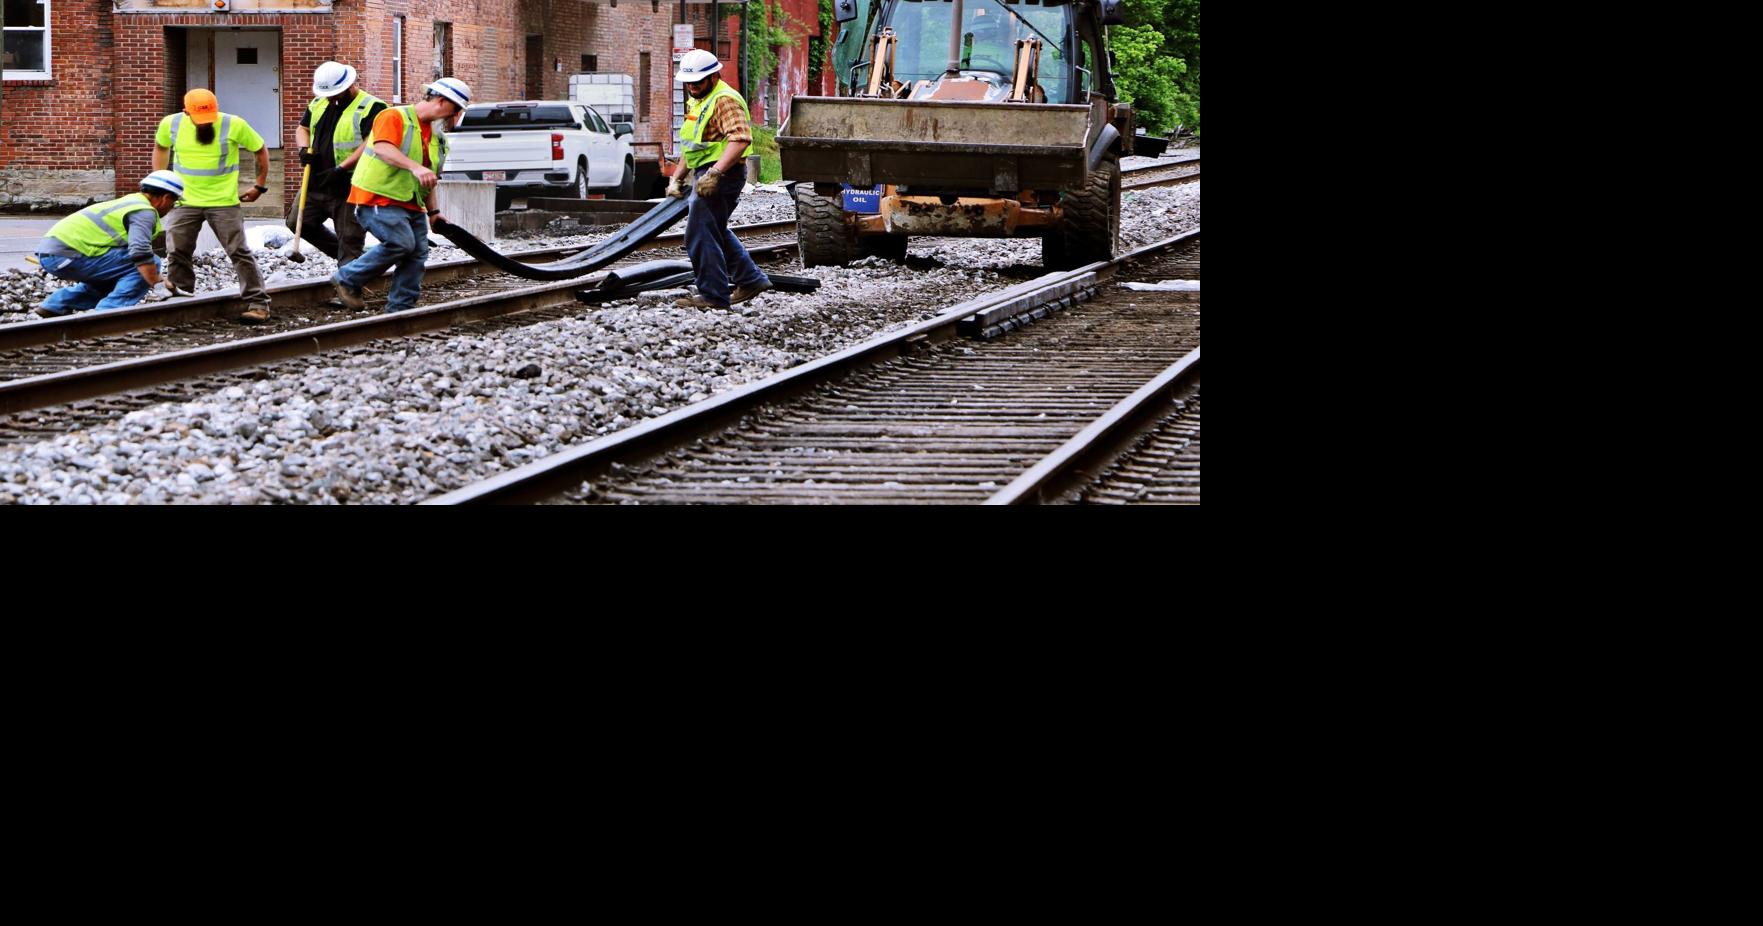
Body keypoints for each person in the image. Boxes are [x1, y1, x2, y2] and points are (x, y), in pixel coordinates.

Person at [330, 77, 471, 315]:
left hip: (411, 202)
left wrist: (434, 213)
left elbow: (430, 178)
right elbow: (384, 148)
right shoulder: (394, 116)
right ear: (441, 101)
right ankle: (347, 278)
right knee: (400, 243)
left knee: (417, 254)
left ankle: (399, 310)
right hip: (378, 196)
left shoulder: (437, 137)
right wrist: (415, 167)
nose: (453, 116)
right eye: (455, 109)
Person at [152, 89, 274, 323]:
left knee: (239, 252)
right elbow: (160, 147)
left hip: (224, 202)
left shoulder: (233, 124)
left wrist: (259, 186)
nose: (206, 123)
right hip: (185, 200)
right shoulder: (171, 124)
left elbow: (260, 149)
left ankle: (258, 302)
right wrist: (161, 182)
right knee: (177, 251)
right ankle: (180, 296)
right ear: (186, 112)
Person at [665, 49, 771, 310]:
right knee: (712, 229)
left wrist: (715, 173)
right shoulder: (699, 102)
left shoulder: (724, 99)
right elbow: (692, 148)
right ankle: (751, 279)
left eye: (698, 82)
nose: (692, 87)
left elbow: (740, 139)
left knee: (699, 233)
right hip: (706, 173)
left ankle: (713, 295)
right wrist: (676, 178)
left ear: (713, 77)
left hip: (723, 175)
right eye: (688, 83)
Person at [33, 171, 189, 317]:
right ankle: (109, 314)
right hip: (68, 255)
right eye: (173, 203)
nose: (171, 208)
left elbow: (124, 257)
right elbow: (141, 253)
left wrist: (165, 283)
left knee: (115, 277)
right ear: (166, 198)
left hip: (53, 254)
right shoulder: (144, 211)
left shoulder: (130, 202)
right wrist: (157, 285)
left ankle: (55, 305)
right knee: (150, 262)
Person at [292, 61, 388, 270]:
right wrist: (303, 149)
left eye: (336, 93)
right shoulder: (319, 103)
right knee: (298, 223)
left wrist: (342, 167)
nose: (332, 98)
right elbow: (303, 128)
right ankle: (358, 264)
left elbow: (371, 142)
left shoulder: (373, 107)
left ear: (350, 85)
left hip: (349, 185)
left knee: (350, 237)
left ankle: (349, 284)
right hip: (317, 181)